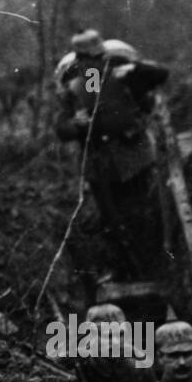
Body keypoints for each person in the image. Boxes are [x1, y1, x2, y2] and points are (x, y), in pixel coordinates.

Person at [54, 30, 168, 281]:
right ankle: (123, 270)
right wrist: (78, 124)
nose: (93, 65)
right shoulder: (73, 85)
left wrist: (133, 70)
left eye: (97, 59)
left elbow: (160, 75)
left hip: (134, 157)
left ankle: (154, 268)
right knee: (112, 222)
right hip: (100, 163)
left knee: (144, 214)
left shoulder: (124, 71)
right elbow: (62, 128)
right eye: (87, 61)